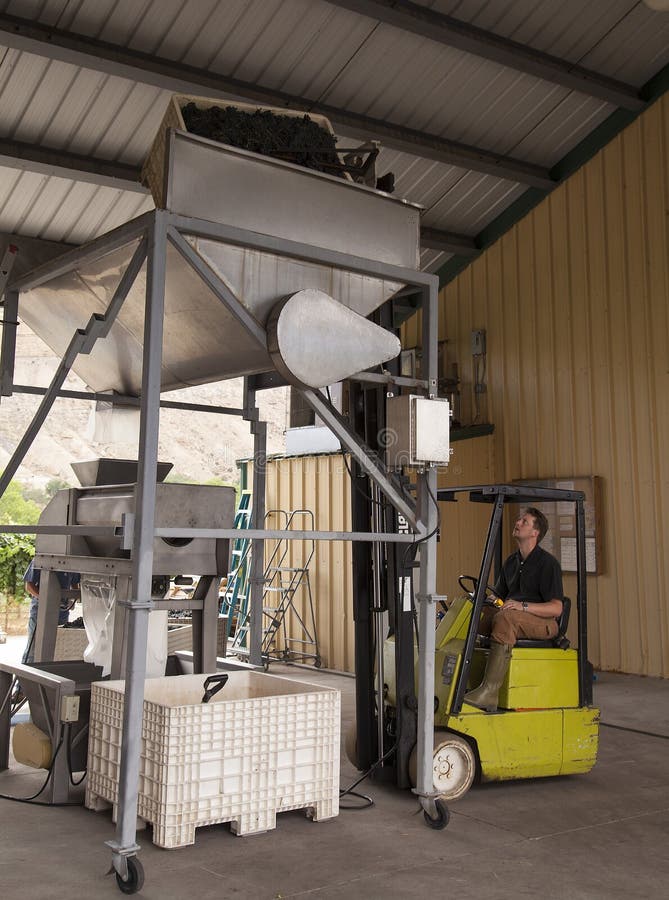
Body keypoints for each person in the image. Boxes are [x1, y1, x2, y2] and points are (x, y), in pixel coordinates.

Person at [464, 507, 563, 713]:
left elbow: (556, 608)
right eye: (519, 520)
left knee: (506, 618)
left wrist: (522, 606)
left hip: (543, 622)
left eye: (524, 522)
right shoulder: (512, 561)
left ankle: (489, 692)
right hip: (513, 614)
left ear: (535, 533)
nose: (517, 523)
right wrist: (483, 601)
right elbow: (499, 597)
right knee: (470, 613)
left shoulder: (547, 564)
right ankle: (462, 681)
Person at [22, 560, 80, 665]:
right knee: (34, 648)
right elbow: (29, 586)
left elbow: (75, 584)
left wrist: (72, 598)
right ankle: (26, 674)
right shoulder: (41, 559)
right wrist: (45, 599)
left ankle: (49, 673)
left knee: (57, 648)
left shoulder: (72, 562)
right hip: (41, 612)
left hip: (62, 613)